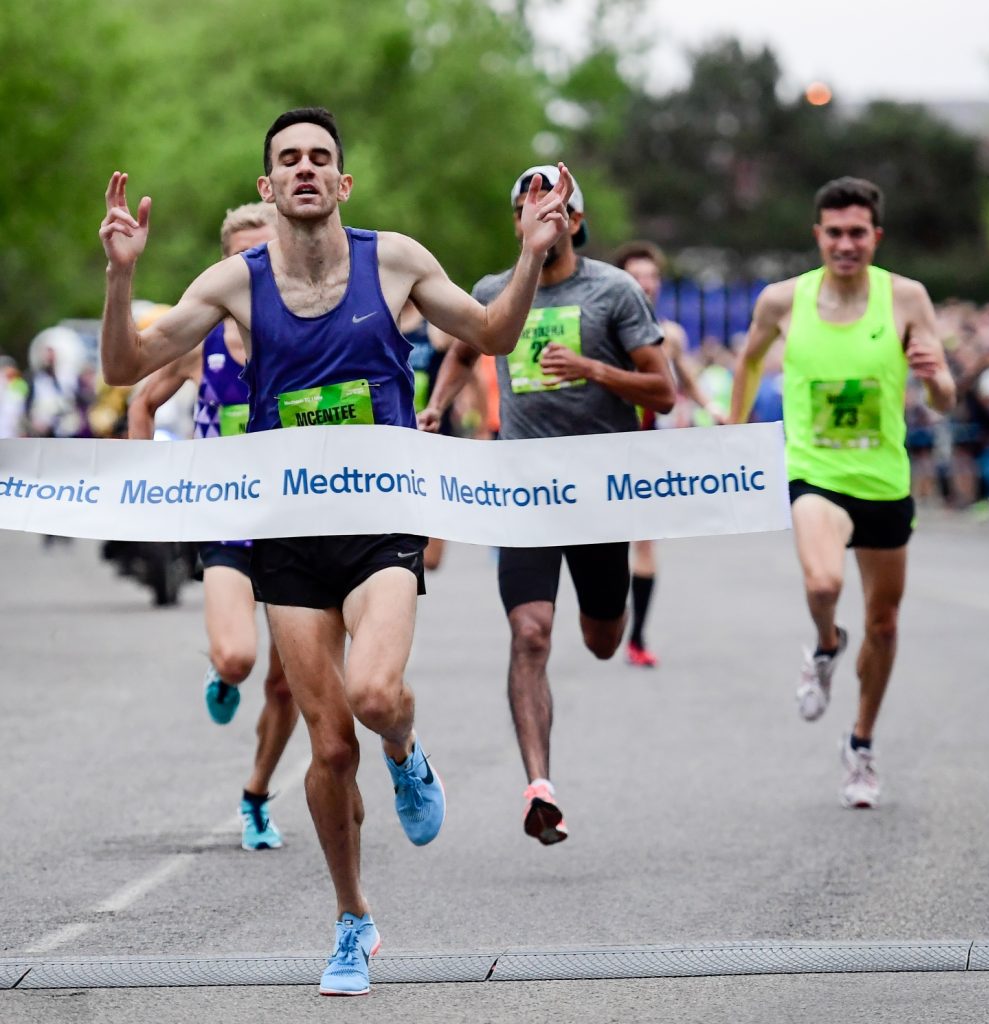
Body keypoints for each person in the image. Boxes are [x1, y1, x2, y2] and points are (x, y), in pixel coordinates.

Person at [99, 107, 573, 996]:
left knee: (373, 696)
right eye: (289, 160)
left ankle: (406, 749)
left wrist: (530, 257)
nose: (306, 169)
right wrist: (121, 276)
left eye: (321, 157)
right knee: (326, 751)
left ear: (342, 183)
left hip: (379, 525)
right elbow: (128, 364)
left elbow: (495, 336)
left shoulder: (392, 259)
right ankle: (353, 919)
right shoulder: (234, 283)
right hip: (286, 533)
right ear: (267, 187)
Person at [420, 165, 674, 845]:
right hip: (524, 487)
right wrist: (437, 406)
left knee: (600, 640)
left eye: (555, 204)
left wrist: (593, 369)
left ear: (576, 220)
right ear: (517, 221)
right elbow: (463, 348)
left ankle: (609, 623)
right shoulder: (492, 291)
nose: (541, 213)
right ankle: (539, 785)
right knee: (530, 631)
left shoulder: (614, 292)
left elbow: (664, 391)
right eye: (528, 204)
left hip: (597, 491)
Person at [729, 176, 955, 809]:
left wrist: (937, 382)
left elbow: (945, 398)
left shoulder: (907, 298)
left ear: (875, 236)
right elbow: (748, 361)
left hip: (884, 481)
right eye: (835, 233)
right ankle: (827, 644)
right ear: (817, 236)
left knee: (883, 623)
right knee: (824, 585)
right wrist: (732, 431)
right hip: (815, 473)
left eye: (858, 233)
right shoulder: (782, 301)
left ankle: (860, 743)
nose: (846, 244)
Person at [127, 203, 299, 851]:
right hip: (225, 521)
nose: (254, 270)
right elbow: (142, 400)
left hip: (294, 525)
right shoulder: (201, 342)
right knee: (237, 657)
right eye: (241, 258)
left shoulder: (307, 334)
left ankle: (255, 795)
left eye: (266, 255)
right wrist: (148, 486)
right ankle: (221, 673)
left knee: (286, 684)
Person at [612, 241, 726, 667]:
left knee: (643, 542)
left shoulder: (670, 335)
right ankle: (607, 618)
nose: (646, 285)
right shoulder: (601, 328)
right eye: (636, 277)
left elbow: (688, 382)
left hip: (649, 452)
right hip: (605, 446)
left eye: (652, 277)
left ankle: (637, 635)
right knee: (606, 546)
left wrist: (712, 409)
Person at [399, 298, 453, 569]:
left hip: (433, 437)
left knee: (431, 559)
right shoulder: (379, 325)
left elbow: (467, 365)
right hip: (395, 441)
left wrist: (477, 417)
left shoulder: (434, 329)